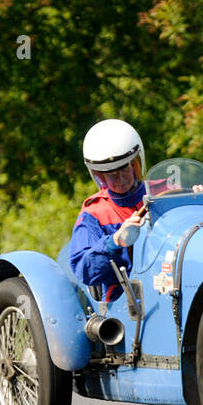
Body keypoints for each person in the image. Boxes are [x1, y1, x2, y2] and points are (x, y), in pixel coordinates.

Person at [69, 119, 149, 296]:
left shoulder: (163, 191)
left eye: (124, 169)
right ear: (98, 176)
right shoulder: (94, 213)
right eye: (110, 174)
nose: (119, 179)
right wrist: (115, 241)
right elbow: (84, 270)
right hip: (127, 297)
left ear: (136, 165)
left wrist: (200, 197)